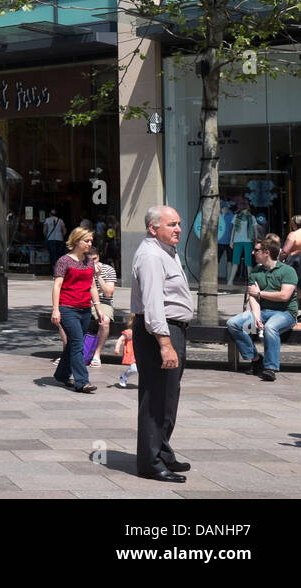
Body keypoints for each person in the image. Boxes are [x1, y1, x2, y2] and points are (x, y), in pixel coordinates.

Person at [131, 204, 195, 483]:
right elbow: (153, 304)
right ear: (153, 228)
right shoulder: (151, 255)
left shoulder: (166, 251)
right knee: (155, 397)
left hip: (172, 329)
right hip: (159, 331)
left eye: (179, 223)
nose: (178, 229)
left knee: (169, 396)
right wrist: (165, 343)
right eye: (171, 224)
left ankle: (163, 451)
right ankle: (150, 461)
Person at [226, 233, 297, 382]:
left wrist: (260, 293)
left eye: (256, 250)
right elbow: (253, 297)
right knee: (233, 323)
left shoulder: (287, 271)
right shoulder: (256, 272)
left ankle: (270, 368)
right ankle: (255, 358)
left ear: (267, 253)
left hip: (285, 313)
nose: (253, 252)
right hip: (263, 312)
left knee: (270, 327)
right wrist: (257, 317)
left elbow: (284, 296)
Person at [50, 226, 104, 393]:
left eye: (90, 241)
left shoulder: (89, 261)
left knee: (75, 343)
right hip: (68, 308)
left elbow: (92, 286)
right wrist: (55, 309)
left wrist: (99, 309)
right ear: (76, 241)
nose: (89, 244)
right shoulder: (64, 261)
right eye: (86, 241)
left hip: (85, 309)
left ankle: (61, 374)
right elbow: (57, 286)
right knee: (77, 344)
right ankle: (82, 381)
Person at [88, 247, 116, 368]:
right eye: (89, 260)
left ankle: (96, 354)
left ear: (98, 257)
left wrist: (99, 276)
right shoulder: (79, 267)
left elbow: (108, 293)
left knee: (105, 321)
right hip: (84, 301)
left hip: (103, 302)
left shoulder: (108, 269)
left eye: (95, 259)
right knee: (66, 316)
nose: (93, 262)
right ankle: (66, 353)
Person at [228, 202, 260, 285]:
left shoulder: (252, 218)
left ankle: (250, 281)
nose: (244, 210)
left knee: (248, 261)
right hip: (237, 241)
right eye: (243, 209)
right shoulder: (236, 217)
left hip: (248, 241)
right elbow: (233, 230)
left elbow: (255, 230)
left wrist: (256, 241)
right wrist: (231, 241)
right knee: (235, 261)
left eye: (246, 208)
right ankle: (230, 280)